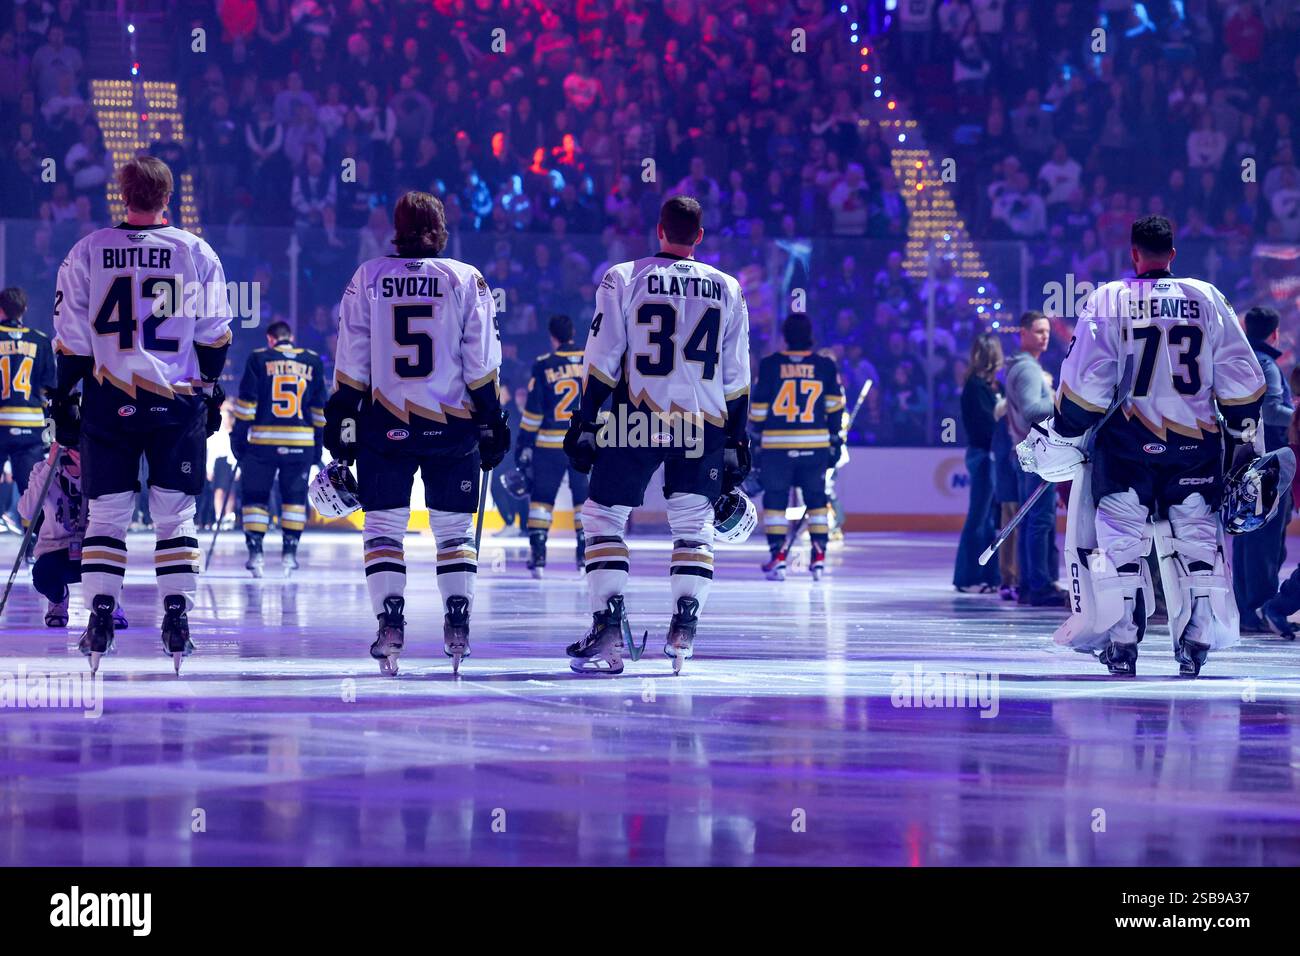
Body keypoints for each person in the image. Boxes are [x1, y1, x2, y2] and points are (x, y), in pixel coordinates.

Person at [1018, 215, 1266, 677]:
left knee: (1120, 540)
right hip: (1197, 443)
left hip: (1128, 443)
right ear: (1173, 253)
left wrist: (1068, 428)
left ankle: (1125, 635)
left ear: (1134, 254)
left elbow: (1085, 384)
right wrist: (1242, 437)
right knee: (1195, 536)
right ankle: (1197, 633)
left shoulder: (1109, 299)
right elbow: (1242, 378)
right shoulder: (1207, 297)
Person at [50, 156, 231, 674]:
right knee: (176, 516)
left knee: (106, 517)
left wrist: (66, 398)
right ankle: (176, 618)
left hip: (109, 398)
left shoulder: (87, 250)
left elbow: (72, 338)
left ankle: (101, 616)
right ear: (168, 196)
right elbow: (213, 333)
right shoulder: (194, 251)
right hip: (175, 401)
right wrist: (212, 390)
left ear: (121, 194)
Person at [562, 196, 751, 675]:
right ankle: (684, 629)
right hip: (703, 423)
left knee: (604, 516)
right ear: (700, 237)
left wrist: (585, 421)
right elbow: (736, 375)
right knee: (693, 527)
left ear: (659, 230)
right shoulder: (727, 287)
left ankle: (607, 624)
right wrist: (737, 438)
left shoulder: (623, 277)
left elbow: (603, 359)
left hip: (637, 416)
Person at [324, 191, 509, 676]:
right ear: (441, 227)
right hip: (454, 425)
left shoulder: (368, 277)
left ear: (396, 227)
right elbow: (481, 360)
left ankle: (390, 624)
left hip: (386, 424)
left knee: (384, 530)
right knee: (453, 532)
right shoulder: (466, 278)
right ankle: (457, 621)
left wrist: (342, 413)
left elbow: (352, 357)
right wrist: (491, 418)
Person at [748, 313, 844, 581]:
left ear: (785, 336)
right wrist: (835, 439)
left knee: (775, 502)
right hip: (815, 447)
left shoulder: (770, 365)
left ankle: (778, 558)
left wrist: (755, 436)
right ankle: (819, 560)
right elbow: (835, 407)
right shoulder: (825, 365)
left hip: (777, 447)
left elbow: (758, 410)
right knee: (817, 503)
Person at [231, 320, 327, 577]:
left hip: (263, 442)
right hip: (300, 443)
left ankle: (256, 554)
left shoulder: (259, 358)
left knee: (255, 498)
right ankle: (289, 555)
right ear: (291, 337)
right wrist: (318, 446)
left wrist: (238, 437)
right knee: (294, 500)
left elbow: (247, 404)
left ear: (270, 339)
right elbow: (319, 410)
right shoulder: (313, 361)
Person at [17, 447, 128, 630]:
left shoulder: (103, 468)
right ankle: (59, 598)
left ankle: (108, 602)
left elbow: (118, 515)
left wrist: (91, 470)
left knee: (111, 559)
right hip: (55, 549)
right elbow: (27, 511)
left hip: (95, 547)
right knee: (42, 576)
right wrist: (49, 467)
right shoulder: (42, 469)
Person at [1232, 306, 1293, 629]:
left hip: (1246, 458)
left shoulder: (1239, 358)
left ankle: (1247, 608)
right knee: (1266, 539)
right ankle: (1259, 607)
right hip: (1270, 461)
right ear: (1274, 333)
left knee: (1248, 534)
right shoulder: (1267, 364)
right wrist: (1296, 416)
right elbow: (1271, 412)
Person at [516, 314, 588, 577]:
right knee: (583, 502)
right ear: (572, 333)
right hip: (581, 443)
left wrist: (523, 442)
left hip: (548, 445)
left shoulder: (544, 365)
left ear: (552, 337)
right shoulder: (589, 360)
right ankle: (583, 557)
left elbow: (533, 410)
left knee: (541, 501)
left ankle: (538, 557)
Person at [1004, 310, 1061, 606]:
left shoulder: (1026, 366)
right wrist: (1059, 397)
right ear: (1022, 333)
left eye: (1047, 331)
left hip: (1028, 449)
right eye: (1039, 331)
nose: (1045, 336)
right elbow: (1031, 410)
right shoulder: (1027, 369)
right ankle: (1038, 584)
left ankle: (1031, 583)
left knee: (1032, 519)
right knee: (1039, 520)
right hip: (1035, 449)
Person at [953, 332, 1004, 592]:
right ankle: (967, 576)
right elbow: (987, 423)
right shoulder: (975, 386)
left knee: (987, 520)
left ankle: (990, 576)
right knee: (978, 516)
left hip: (991, 454)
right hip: (982, 454)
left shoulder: (993, 386)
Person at [0, 287, 56, 520]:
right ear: (25, 309)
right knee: (29, 492)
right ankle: (32, 546)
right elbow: (49, 389)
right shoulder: (40, 341)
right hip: (31, 427)